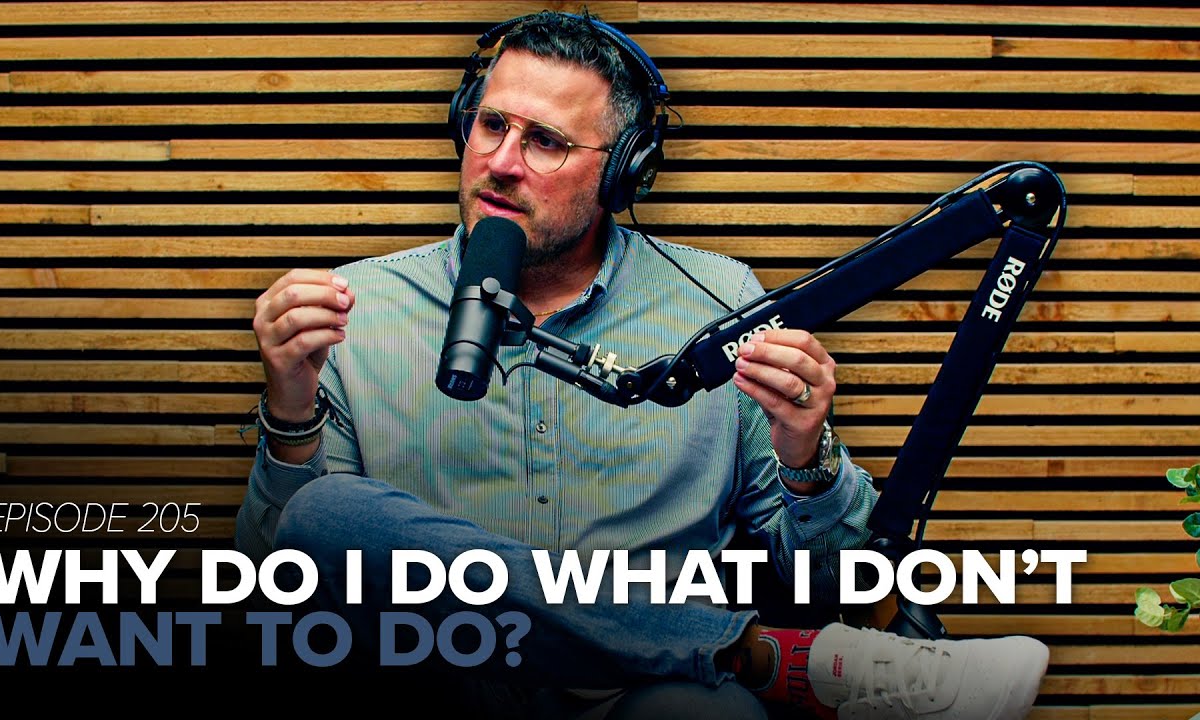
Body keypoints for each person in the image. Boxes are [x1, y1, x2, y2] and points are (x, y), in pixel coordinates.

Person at [235, 10, 1048, 719]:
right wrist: (292, 410)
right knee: (323, 514)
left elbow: (838, 580)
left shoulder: (719, 307)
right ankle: (762, 657)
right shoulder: (357, 308)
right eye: (491, 125)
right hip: (439, 683)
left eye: (545, 141)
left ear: (626, 169)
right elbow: (282, 577)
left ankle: (731, 661)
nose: (501, 162)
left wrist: (808, 459)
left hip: (651, 698)